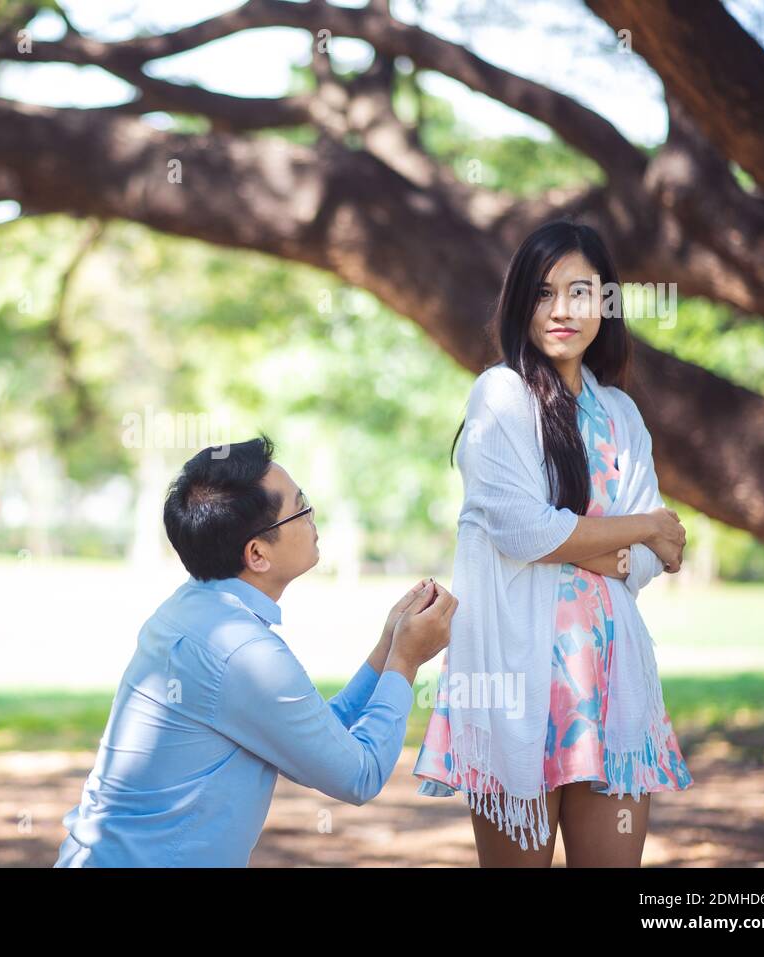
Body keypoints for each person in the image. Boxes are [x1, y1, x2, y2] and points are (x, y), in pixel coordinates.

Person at [412, 219, 693, 867]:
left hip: (611, 685)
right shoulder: (501, 395)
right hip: (517, 687)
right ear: (519, 303)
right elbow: (525, 530)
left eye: (580, 291)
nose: (561, 310)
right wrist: (646, 525)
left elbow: (651, 563)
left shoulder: (621, 414)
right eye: (542, 293)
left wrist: (609, 543)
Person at [55, 435, 456, 866]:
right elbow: (359, 774)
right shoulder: (242, 651)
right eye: (301, 508)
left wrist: (387, 648)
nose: (313, 517)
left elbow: (317, 739)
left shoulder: (191, 609)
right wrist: (406, 662)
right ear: (258, 553)